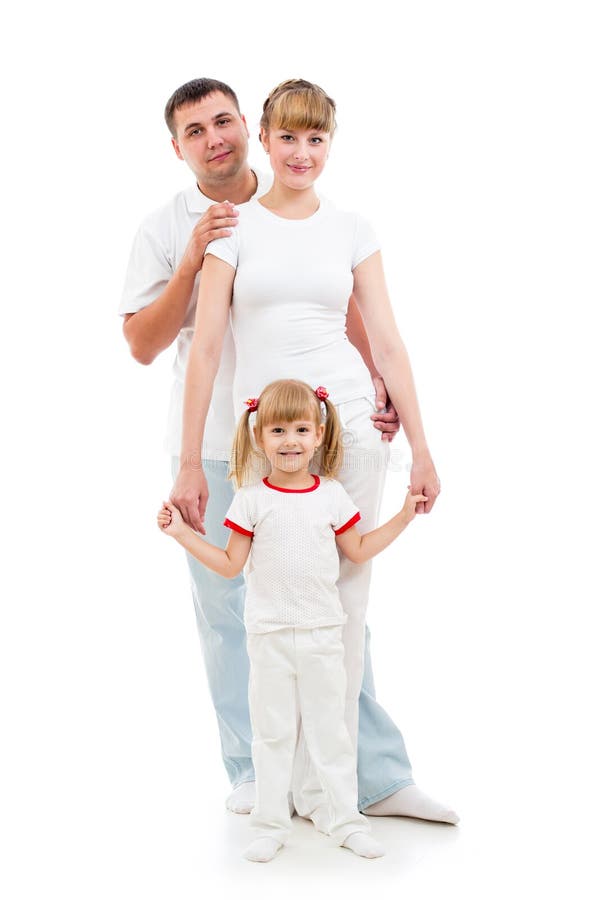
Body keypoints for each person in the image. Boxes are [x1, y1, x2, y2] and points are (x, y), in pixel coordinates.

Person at [122, 76, 457, 826]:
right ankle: (259, 772)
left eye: (223, 122)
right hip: (221, 442)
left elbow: (345, 313)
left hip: (320, 433)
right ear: (177, 148)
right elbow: (160, 345)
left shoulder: (331, 220)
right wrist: (192, 256)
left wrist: (386, 391)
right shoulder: (191, 226)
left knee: (336, 602)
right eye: (195, 131)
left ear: (249, 127)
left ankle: (364, 777)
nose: (214, 138)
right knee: (233, 610)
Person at [159, 379, 429, 862]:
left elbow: (360, 550)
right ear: (259, 435)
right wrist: (180, 533)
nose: (290, 441)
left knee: (331, 731)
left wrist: (405, 514)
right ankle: (270, 823)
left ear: (320, 433)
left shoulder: (331, 496)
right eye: (278, 430)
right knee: (273, 732)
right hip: (269, 637)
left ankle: (344, 819)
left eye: (301, 429)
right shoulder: (250, 500)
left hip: (323, 634)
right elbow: (228, 565)